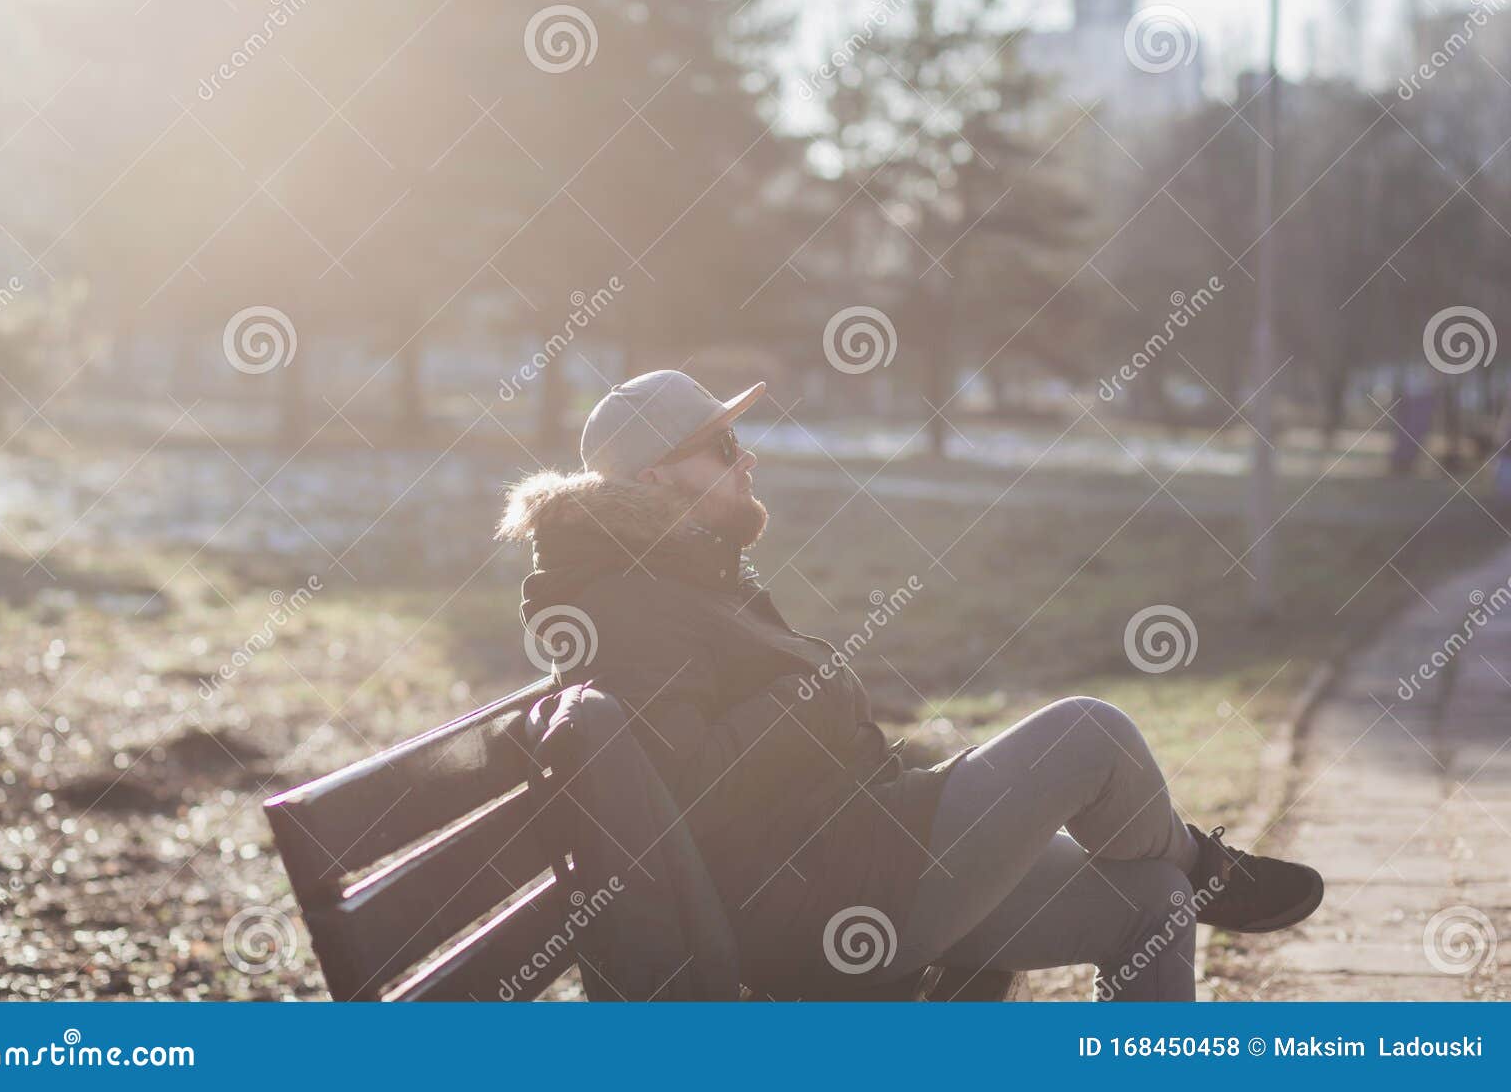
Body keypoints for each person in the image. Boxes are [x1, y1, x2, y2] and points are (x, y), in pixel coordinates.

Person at [495, 369, 1324, 1000]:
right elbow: (690, 787)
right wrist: (809, 696)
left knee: (1154, 899)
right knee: (1089, 734)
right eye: (720, 447)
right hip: (823, 896)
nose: (746, 459)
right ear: (653, 481)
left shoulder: (690, 575)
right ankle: (1214, 867)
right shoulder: (624, 604)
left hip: (866, 842)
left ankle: (1196, 873)